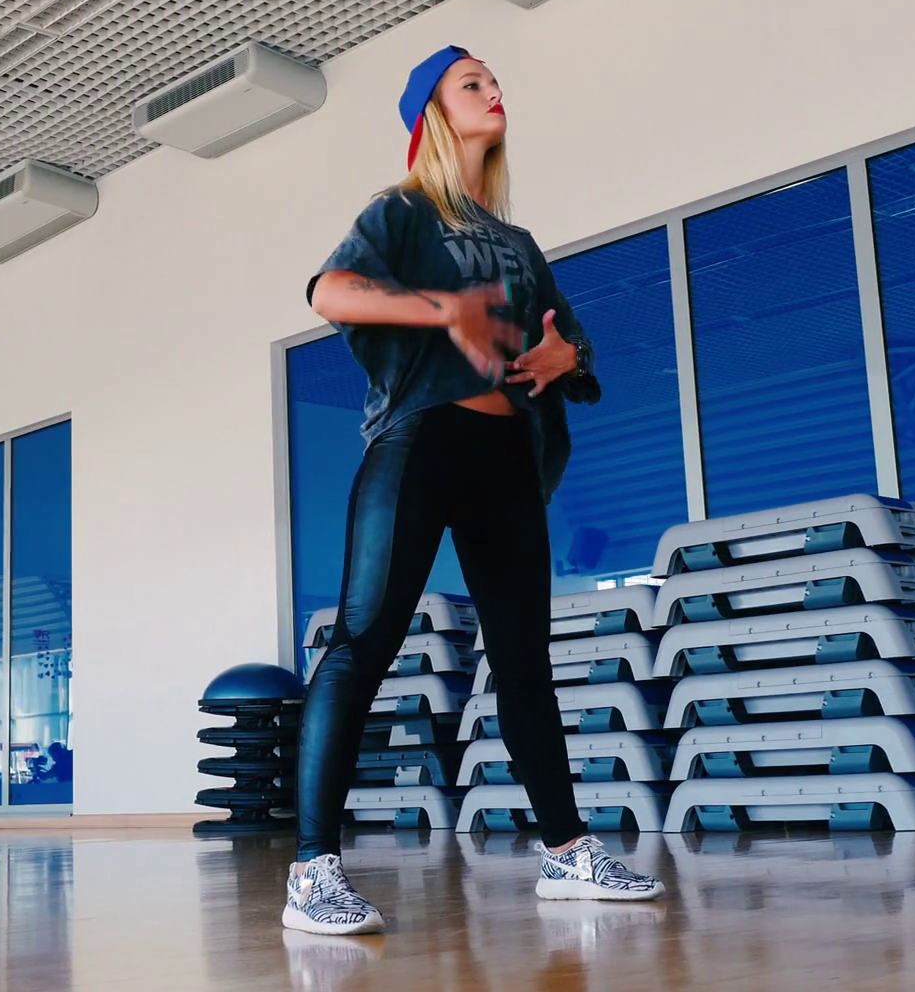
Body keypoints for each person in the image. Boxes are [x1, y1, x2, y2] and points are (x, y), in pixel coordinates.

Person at [283, 46, 665, 937]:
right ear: (433, 114)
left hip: (504, 455)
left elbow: (569, 339)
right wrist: (440, 310)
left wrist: (570, 356)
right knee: (361, 643)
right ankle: (312, 871)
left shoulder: (519, 245)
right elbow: (329, 290)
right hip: (421, 439)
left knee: (524, 658)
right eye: (473, 84)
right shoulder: (403, 211)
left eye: (496, 81)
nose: (495, 92)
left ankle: (567, 856)